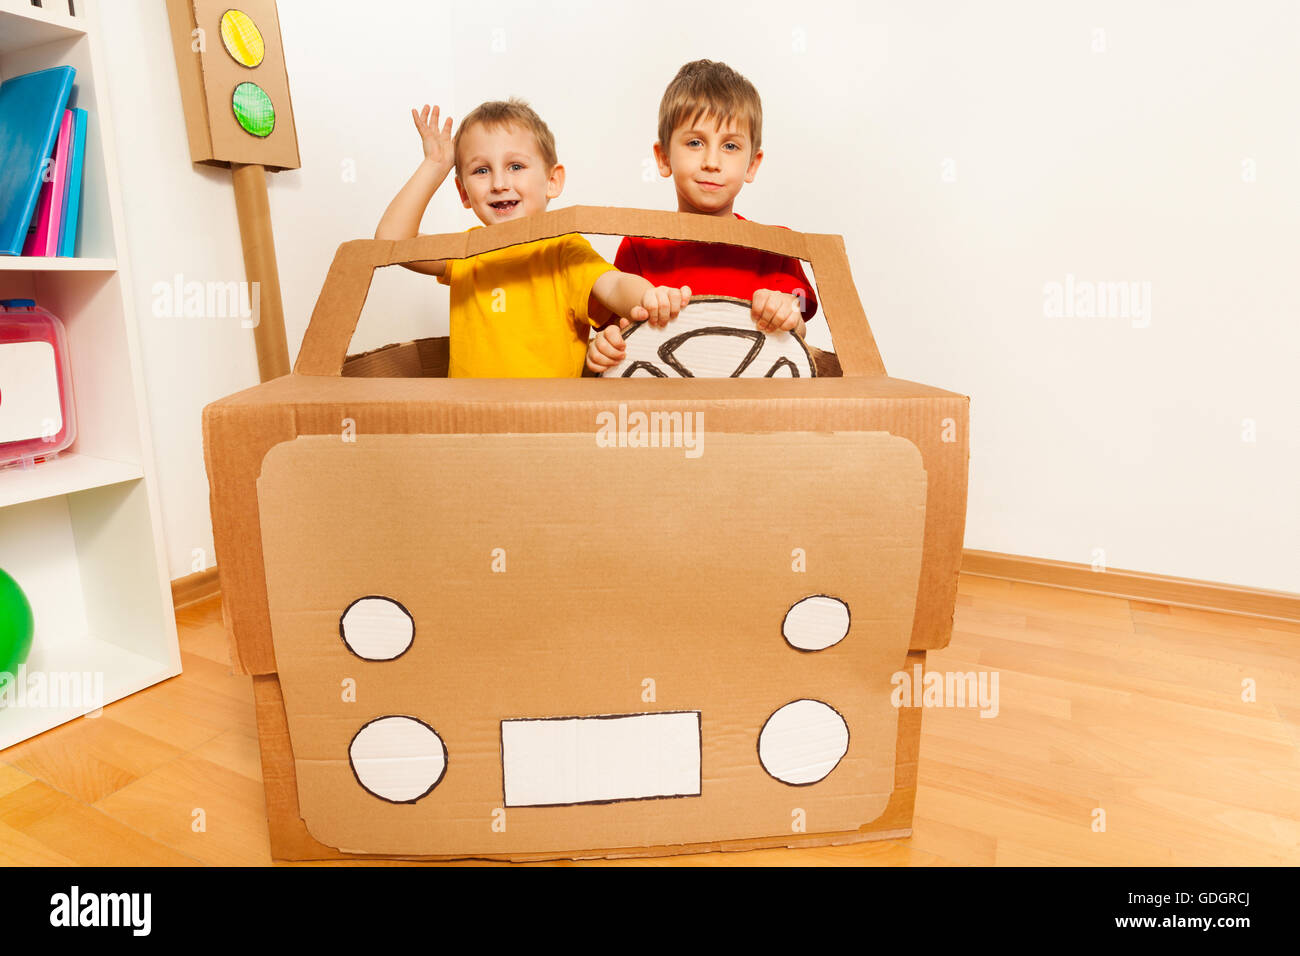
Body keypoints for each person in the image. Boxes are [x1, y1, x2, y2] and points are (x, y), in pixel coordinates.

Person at [376, 98, 690, 377]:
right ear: (463, 193)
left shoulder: (564, 251)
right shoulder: (466, 252)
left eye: (515, 166)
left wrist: (648, 296)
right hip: (471, 429)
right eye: (481, 171)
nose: (499, 182)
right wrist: (434, 166)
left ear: (552, 181)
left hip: (543, 430)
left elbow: (614, 284)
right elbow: (391, 243)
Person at [586, 59, 818, 374]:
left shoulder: (774, 246)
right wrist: (604, 347)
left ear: (752, 164)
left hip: (754, 411)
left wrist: (787, 311)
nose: (711, 161)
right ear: (664, 157)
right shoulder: (640, 246)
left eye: (731, 146)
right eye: (695, 143)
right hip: (669, 415)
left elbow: (801, 322)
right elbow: (618, 332)